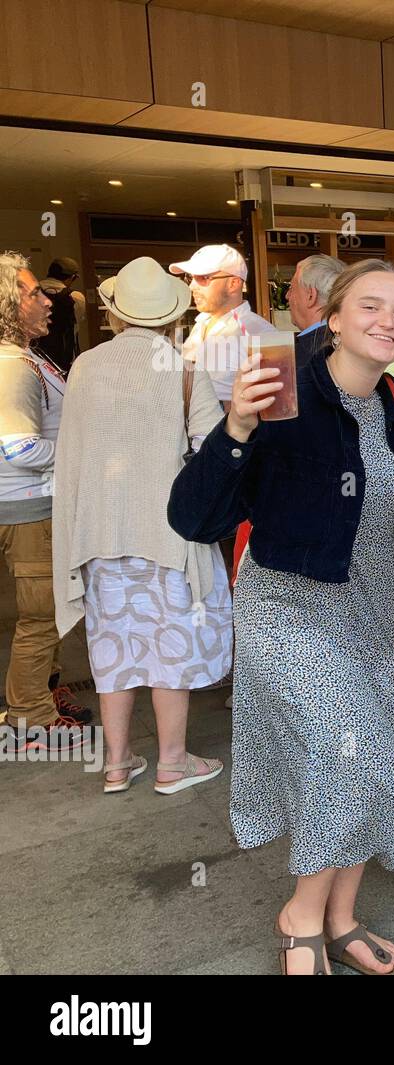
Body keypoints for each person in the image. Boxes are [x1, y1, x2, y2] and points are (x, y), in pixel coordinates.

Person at [168, 259, 394, 976]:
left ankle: (342, 917)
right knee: (348, 750)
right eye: (371, 307)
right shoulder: (282, 398)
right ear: (335, 319)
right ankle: (300, 915)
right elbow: (194, 517)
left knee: (366, 752)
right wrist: (235, 426)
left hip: (373, 607)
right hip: (287, 604)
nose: (388, 321)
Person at [52, 257, 230, 793]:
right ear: (171, 314)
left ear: (114, 312)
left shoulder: (85, 365)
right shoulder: (181, 365)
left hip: (101, 534)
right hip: (168, 534)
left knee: (115, 649)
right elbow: (211, 446)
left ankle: (116, 763)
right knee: (168, 648)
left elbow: (74, 451)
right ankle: (172, 764)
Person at [0, 251, 89, 752]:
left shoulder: (23, 357)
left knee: (47, 612)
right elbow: (20, 447)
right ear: (9, 305)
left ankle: (40, 697)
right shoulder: (13, 366)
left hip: (33, 502)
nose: (46, 299)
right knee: (41, 615)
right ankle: (31, 718)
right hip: (30, 506)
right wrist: (83, 454)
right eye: (32, 292)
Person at [170, 244, 275, 408]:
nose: (192, 286)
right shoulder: (201, 324)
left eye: (204, 278)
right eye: (190, 278)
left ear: (233, 283)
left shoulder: (258, 332)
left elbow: (275, 402)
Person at [286, 253, 344, 368]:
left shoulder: (293, 359)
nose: (287, 296)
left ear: (311, 296)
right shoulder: (358, 345)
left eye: (291, 288)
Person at [31, 257, 84, 375]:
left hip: (36, 354)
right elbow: (78, 321)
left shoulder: (32, 294)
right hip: (64, 357)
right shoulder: (75, 297)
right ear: (72, 278)